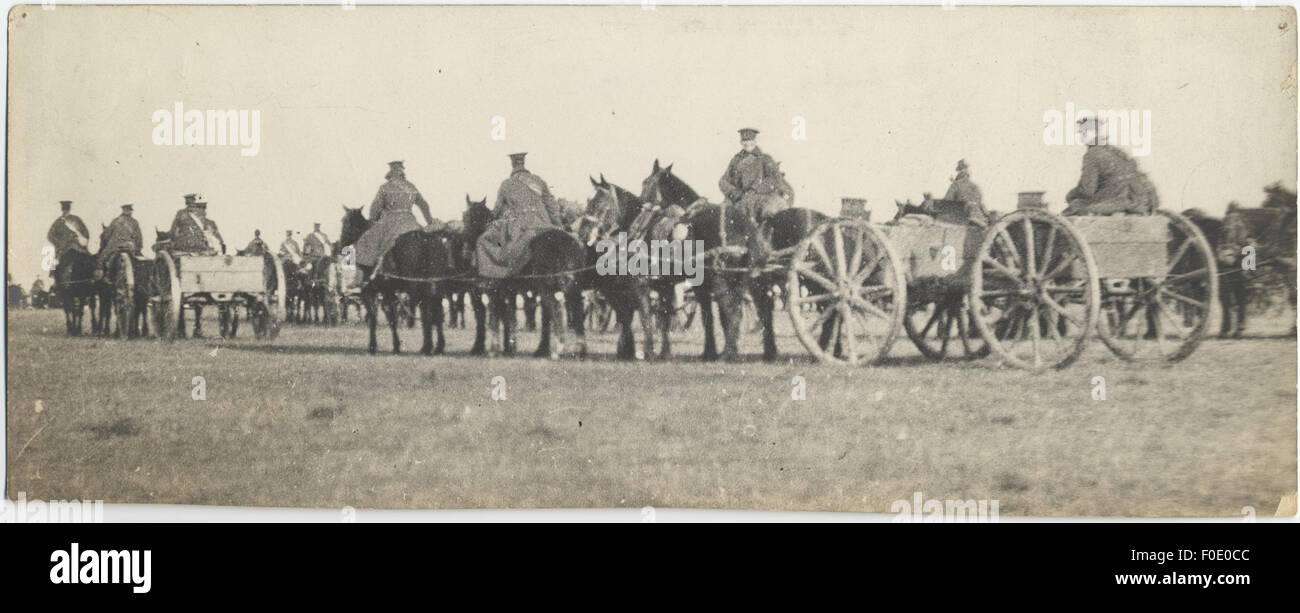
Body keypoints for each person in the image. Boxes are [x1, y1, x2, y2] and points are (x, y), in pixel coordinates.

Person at [474, 153, 565, 277]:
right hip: (545, 225)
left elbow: (497, 212)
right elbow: (552, 207)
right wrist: (558, 226)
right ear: (523, 162)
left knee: (482, 241)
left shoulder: (506, 184)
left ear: (512, 163)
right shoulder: (538, 180)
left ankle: (496, 276)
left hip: (522, 229)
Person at [1062, 117, 1159, 216]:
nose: (1081, 136)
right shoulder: (1115, 152)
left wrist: (1070, 195)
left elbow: (1087, 190)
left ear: (1094, 133)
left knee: (1074, 208)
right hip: (1140, 200)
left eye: (1084, 132)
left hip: (1117, 199)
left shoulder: (1092, 154)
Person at [355, 160, 435, 273]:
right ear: (402, 172)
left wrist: (373, 220)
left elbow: (374, 209)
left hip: (391, 222)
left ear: (391, 172)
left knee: (366, 240)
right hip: (411, 223)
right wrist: (430, 221)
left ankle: (368, 273)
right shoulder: (411, 187)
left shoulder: (385, 187)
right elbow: (424, 205)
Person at [718, 128, 794, 222]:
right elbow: (723, 180)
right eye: (745, 140)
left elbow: (774, 178)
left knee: (770, 214)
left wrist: (755, 189)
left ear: (755, 141)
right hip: (739, 198)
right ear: (741, 142)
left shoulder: (765, 159)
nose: (747, 143)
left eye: (750, 140)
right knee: (721, 216)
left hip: (761, 198)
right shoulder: (735, 161)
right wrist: (734, 193)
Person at [95, 203, 144, 275]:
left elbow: (107, 235)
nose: (129, 211)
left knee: (101, 258)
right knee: (141, 260)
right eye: (129, 210)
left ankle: (99, 274)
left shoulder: (116, 221)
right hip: (131, 247)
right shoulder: (134, 222)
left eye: (129, 210)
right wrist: (138, 248)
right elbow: (139, 237)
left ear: (123, 210)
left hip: (115, 246)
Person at [46, 200, 91, 276]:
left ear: (69, 209)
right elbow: (50, 236)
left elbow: (86, 233)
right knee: (56, 269)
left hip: (78, 248)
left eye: (67, 209)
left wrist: (80, 240)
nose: (65, 211)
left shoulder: (76, 220)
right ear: (62, 209)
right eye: (64, 209)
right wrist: (60, 243)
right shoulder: (58, 222)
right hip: (64, 250)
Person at [943, 159, 991, 226]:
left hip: (959, 220)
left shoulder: (955, 185)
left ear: (959, 173)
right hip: (979, 219)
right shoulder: (975, 187)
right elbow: (981, 203)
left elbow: (947, 201)